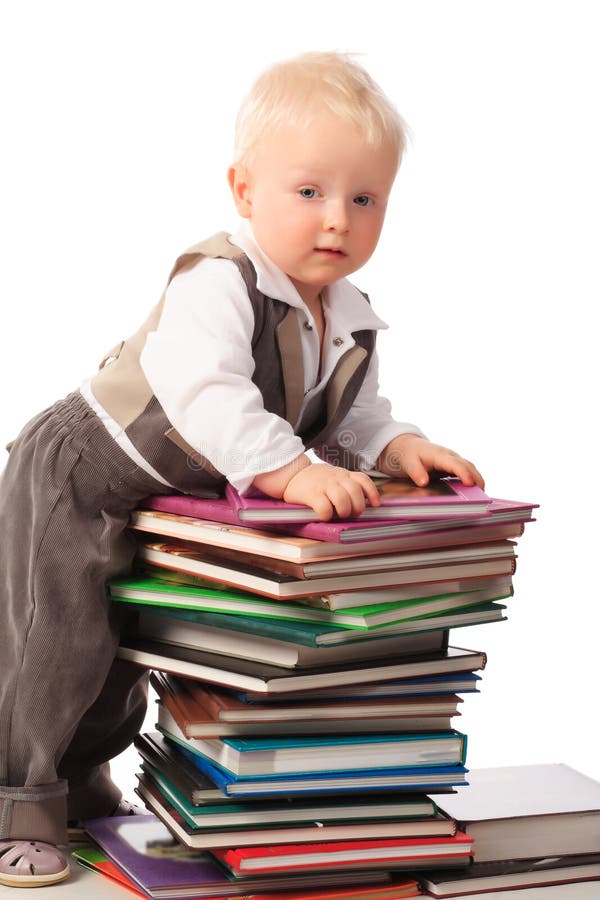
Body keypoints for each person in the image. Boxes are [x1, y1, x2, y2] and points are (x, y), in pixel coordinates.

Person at [0, 50, 483, 887]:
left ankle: (79, 782)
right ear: (243, 191)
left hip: (161, 498)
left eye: (364, 199)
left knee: (128, 651)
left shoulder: (351, 318)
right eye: (310, 192)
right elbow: (207, 392)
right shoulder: (218, 278)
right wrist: (290, 472)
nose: (338, 219)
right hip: (80, 470)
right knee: (55, 642)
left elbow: (353, 413)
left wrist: (398, 446)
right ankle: (18, 800)